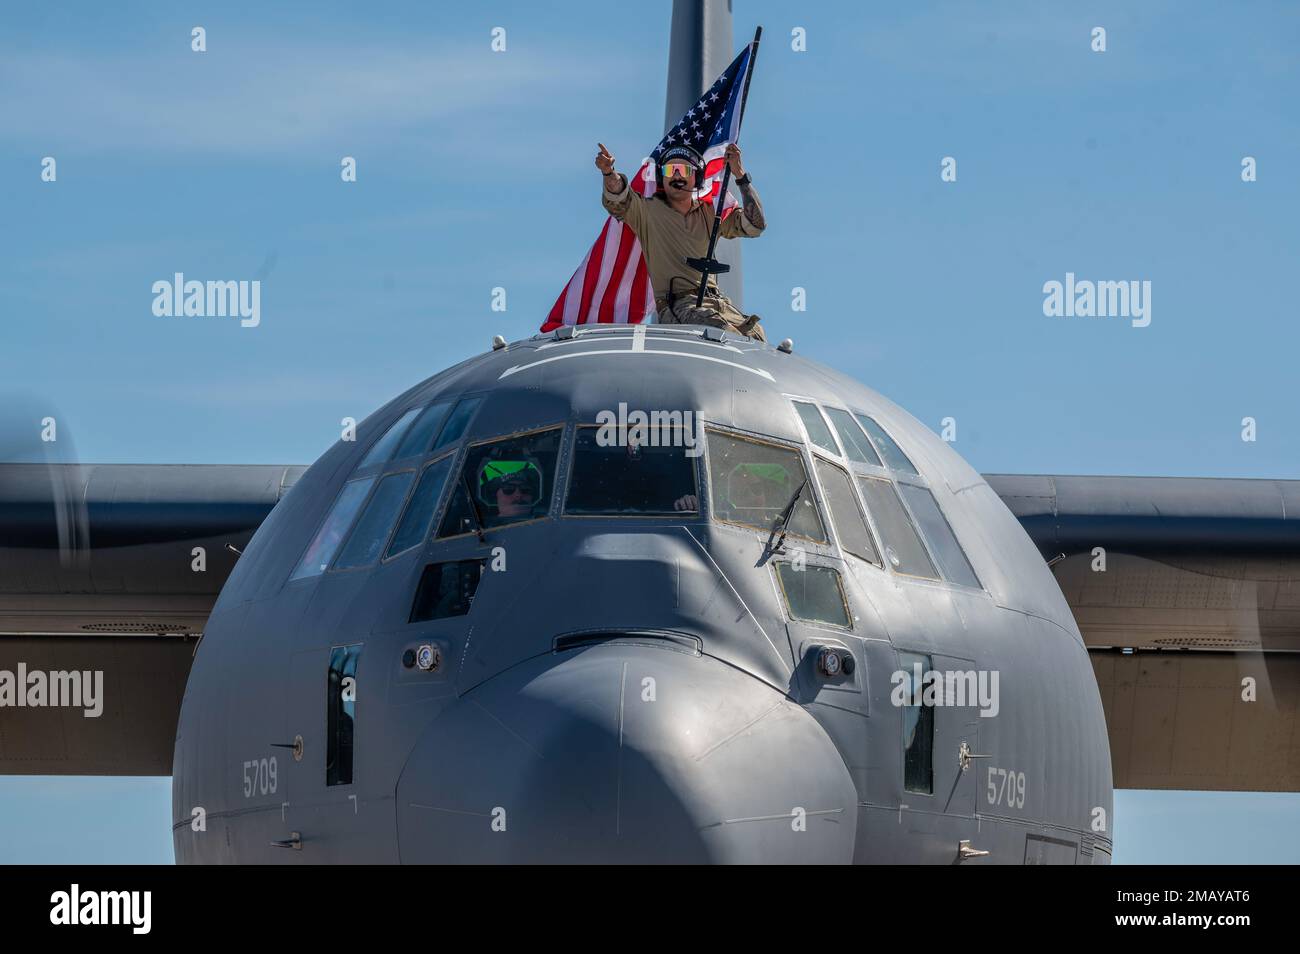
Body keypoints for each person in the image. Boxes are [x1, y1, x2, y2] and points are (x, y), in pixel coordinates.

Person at [597, 140, 768, 341]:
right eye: (671, 170)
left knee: (756, 337)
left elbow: (755, 225)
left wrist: (740, 176)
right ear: (662, 177)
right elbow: (618, 198)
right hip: (679, 305)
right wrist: (609, 172)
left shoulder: (711, 212)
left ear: (696, 177)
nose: (677, 175)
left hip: (718, 303)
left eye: (684, 170)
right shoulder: (646, 211)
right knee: (723, 335)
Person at [477, 456, 545, 526]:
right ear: (494, 498)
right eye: (508, 489)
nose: (518, 495)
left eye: (525, 489)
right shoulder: (478, 529)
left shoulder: (548, 526)